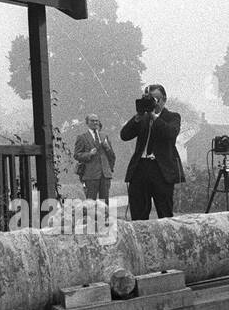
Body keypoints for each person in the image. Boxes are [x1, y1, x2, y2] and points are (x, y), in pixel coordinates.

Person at [120, 84, 184, 220]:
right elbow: (124, 135)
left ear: (164, 99)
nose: (152, 103)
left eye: (155, 99)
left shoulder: (172, 117)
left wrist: (154, 117)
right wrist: (138, 117)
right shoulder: (142, 118)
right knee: (138, 211)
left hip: (161, 170)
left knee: (164, 212)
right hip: (140, 168)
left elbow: (170, 133)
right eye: (149, 99)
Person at [73, 113, 116, 202]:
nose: (95, 122)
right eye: (92, 121)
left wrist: (107, 148)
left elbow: (112, 156)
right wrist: (89, 154)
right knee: (90, 202)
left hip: (105, 175)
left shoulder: (104, 136)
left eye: (96, 120)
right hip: (91, 175)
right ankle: (91, 216)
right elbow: (76, 155)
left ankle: (104, 216)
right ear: (87, 123)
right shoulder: (82, 137)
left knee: (104, 202)